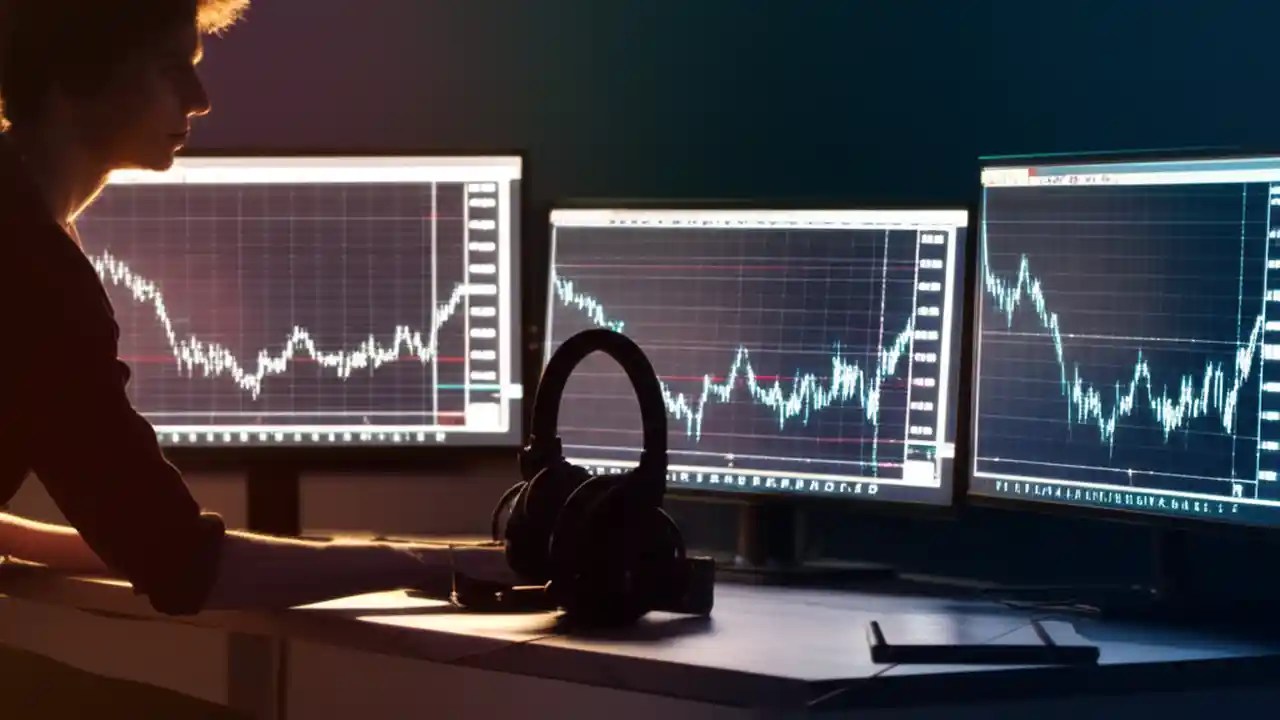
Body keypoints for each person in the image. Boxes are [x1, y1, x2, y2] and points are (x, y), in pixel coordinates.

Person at [0, 0, 520, 618]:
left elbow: (144, 547)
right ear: (74, 76)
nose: (199, 99)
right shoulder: (36, 271)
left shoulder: (22, 222)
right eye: (170, 68)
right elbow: (187, 570)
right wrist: (445, 563)